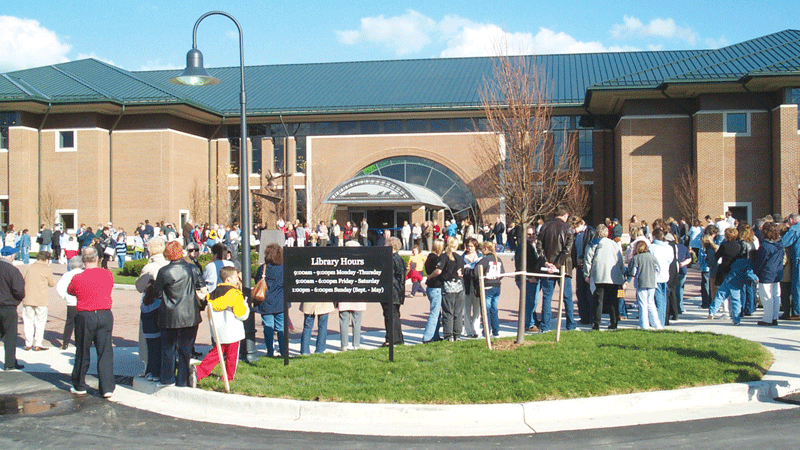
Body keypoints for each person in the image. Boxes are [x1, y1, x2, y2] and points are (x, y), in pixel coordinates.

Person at [154, 240, 204, 387]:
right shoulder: (192, 269)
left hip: (170, 315)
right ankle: (182, 380)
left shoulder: (164, 271)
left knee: (168, 348)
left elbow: (157, 293)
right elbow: (201, 287)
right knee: (185, 349)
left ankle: (167, 377)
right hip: (190, 314)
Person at [67, 246, 115, 397]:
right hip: (104, 313)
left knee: (82, 350)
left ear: (83, 260)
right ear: (97, 258)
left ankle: (80, 384)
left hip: (85, 315)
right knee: (105, 351)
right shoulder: (107, 274)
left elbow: (71, 290)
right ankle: (107, 387)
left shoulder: (78, 277)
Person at [193, 266, 249, 385]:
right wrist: (246, 306)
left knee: (216, 353)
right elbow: (241, 314)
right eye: (235, 277)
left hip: (218, 330)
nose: (237, 279)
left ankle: (199, 372)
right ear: (228, 279)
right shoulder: (235, 294)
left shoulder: (212, 294)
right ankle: (228, 377)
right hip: (233, 330)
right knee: (231, 357)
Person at [536, 208, 577, 332]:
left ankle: (545, 326)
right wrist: (557, 265)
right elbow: (567, 250)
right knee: (567, 297)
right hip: (563, 268)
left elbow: (539, 246)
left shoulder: (545, 227)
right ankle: (570, 324)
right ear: (565, 215)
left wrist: (546, 262)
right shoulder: (568, 228)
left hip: (547, 267)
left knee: (547, 298)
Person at [134, 237, 168, 376]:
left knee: (149, 339)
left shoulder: (150, 267)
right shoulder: (168, 264)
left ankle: (149, 367)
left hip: (152, 304)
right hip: (167, 305)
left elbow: (140, 287)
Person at [583, 226, 625, 330]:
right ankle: (614, 322)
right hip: (613, 276)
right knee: (613, 301)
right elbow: (620, 260)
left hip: (599, 275)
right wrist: (622, 273)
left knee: (598, 300)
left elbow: (588, 260)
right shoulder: (614, 244)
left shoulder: (593, 243)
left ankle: (596, 323)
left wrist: (586, 274)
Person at [428, 237, 464, 341]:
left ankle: (448, 335)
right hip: (459, 286)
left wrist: (430, 276)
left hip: (447, 286)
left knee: (448, 312)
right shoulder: (459, 258)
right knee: (458, 312)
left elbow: (438, 271)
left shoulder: (444, 257)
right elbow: (461, 273)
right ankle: (457, 334)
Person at [254, 243, 287, 358]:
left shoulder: (263, 268)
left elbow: (257, 283)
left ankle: (270, 351)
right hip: (281, 300)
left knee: (268, 327)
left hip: (266, 301)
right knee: (281, 327)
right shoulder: (284, 267)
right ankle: (283, 351)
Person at [708, 257, 758, 325]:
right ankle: (736, 320)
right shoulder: (750, 264)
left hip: (728, 279)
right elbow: (749, 274)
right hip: (736, 283)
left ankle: (712, 311)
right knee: (735, 301)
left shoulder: (738, 260)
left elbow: (732, 267)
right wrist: (756, 279)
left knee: (720, 296)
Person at [22, 251, 55, 351]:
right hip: (41, 298)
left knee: (28, 321)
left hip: (28, 297)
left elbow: (23, 279)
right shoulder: (47, 268)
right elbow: (51, 283)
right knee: (40, 322)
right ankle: (38, 343)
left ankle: (28, 343)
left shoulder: (29, 267)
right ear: (46, 259)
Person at [626, 240, 662, 330]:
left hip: (641, 282)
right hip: (652, 282)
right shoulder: (652, 257)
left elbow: (633, 272)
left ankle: (644, 325)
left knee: (642, 304)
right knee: (651, 303)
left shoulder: (636, 258)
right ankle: (656, 324)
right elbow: (658, 270)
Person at [0, 246, 25, 371]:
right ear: (10, 255)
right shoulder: (12, 270)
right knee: (10, 336)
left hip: (6, 304)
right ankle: (9, 363)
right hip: (8, 306)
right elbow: (19, 290)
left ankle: (11, 361)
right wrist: (16, 301)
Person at [754, 222, 783, 326]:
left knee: (766, 296)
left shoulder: (765, 246)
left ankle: (767, 319)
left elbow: (760, 262)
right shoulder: (780, 244)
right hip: (777, 272)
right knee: (775, 296)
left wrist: (756, 272)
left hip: (766, 273)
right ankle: (774, 317)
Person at [339, 240, 367, 350]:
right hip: (358, 294)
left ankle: (344, 345)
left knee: (343, 321)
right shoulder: (362, 262)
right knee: (357, 320)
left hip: (344, 294)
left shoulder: (341, 262)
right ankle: (356, 344)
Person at [474, 241, 504, 337]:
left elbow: (476, 272)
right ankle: (496, 331)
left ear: (486, 249)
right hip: (497, 286)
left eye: (482, 249)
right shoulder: (498, 259)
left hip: (487, 286)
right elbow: (502, 273)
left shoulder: (485, 260)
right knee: (494, 309)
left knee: (486, 310)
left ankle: (487, 331)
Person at [515, 225, 541, 332]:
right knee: (530, 302)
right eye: (529, 234)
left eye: (533, 234)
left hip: (533, 278)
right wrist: (530, 277)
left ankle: (532, 321)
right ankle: (529, 324)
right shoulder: (523, 247)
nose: (531, 236)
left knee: (532, 301)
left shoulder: (532, 246)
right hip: (527, 279)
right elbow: (521, 263)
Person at [56, 256, 84, 349]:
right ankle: (80, 342)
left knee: (69, 322)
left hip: (71, 302)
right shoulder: (84, 273)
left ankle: (65, 343)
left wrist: (65, 296)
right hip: (83, 302)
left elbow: (60, 287)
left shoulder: (67, 275)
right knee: (82, 324)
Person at [649, 227, 675, 326]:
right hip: (665, 275)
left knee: (657, 301)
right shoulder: (669, 248)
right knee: (663, 300)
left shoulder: (652, 247)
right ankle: (662, 320)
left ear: (654, 236)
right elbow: (670, 260)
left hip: (655, 276)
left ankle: (658, 322)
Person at [382, 237, 405, 345]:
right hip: (398, 291)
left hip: (390, 291)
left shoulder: (390, 259)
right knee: (395, 315)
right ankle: (397, 338)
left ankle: (392, 339)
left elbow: (387, 275)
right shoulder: (399, 259)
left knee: (390, 316)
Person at [572, 218, 595, 325]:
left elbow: (592, 249)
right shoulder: (576, 235)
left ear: (581, 224)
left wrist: (584, 259)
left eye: (576, 227)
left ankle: (591, 317)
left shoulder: (590, 232)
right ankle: (584, 317)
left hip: (588, 268)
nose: (574, 229)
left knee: (589, 293)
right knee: (580, 292)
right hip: (579, 267)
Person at [422, 239, 445, 343]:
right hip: (436, 287)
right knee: (434, 313)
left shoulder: (429, 258)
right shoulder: (437, 259)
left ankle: (435, 335)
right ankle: (427, 337)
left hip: (431, 287)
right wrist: (431, 276)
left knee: (436, 313)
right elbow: (438, 271)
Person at [461, 238, 482, 338]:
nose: (470, 248)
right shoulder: (463, 257)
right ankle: (468, 330)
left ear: (475, 247)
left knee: (477, 309)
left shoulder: (480, 256)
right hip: (467, 285)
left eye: (471, 246)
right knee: (467, 308)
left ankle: (476, 329)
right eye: (468, 246)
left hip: (477, 285)